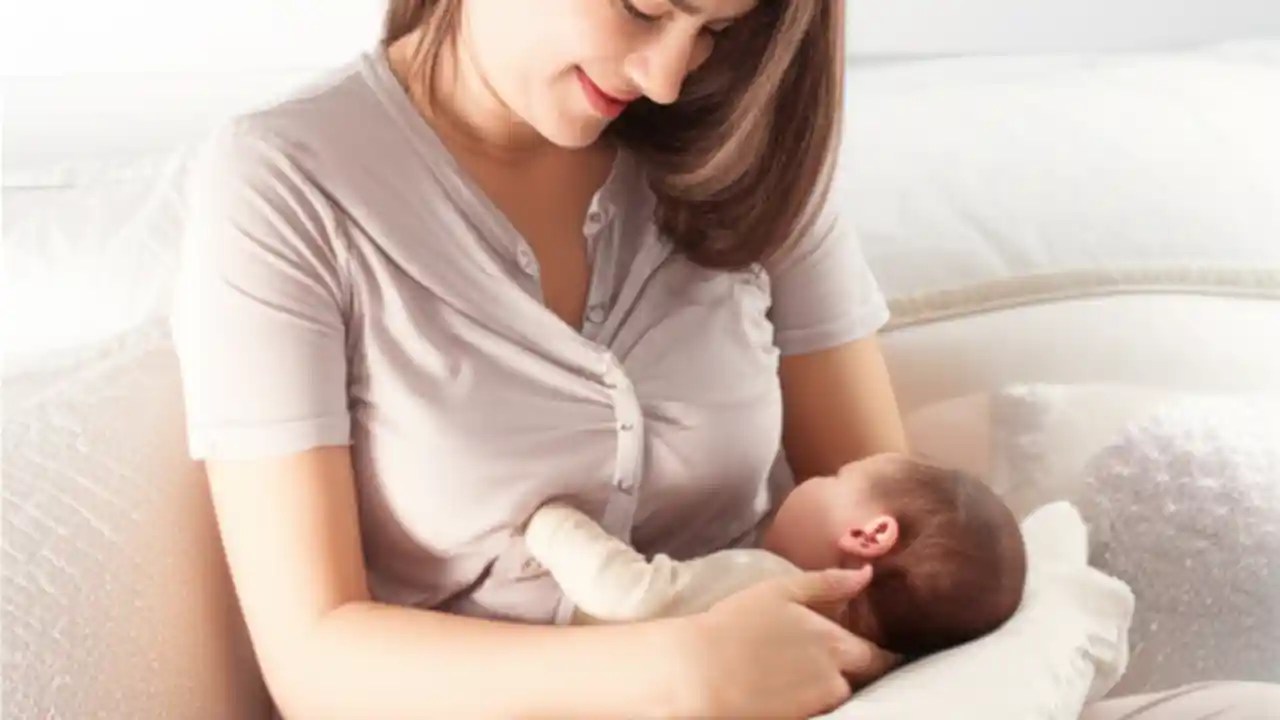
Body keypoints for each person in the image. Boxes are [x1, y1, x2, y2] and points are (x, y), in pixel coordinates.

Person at [171, 0, 1280, 717]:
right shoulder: (287, 183)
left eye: (712, 30)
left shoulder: (737, 149)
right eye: (647, 7)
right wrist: (677, 676)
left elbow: (895, 529)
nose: (664, 75)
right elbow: (313, 658)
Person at [524, 453, 1028, 661]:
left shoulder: (766, 583)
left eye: (836, 477)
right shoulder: (836, 658)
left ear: (868, 536)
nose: (814, 478)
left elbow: (633, 595)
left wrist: (548, 523)